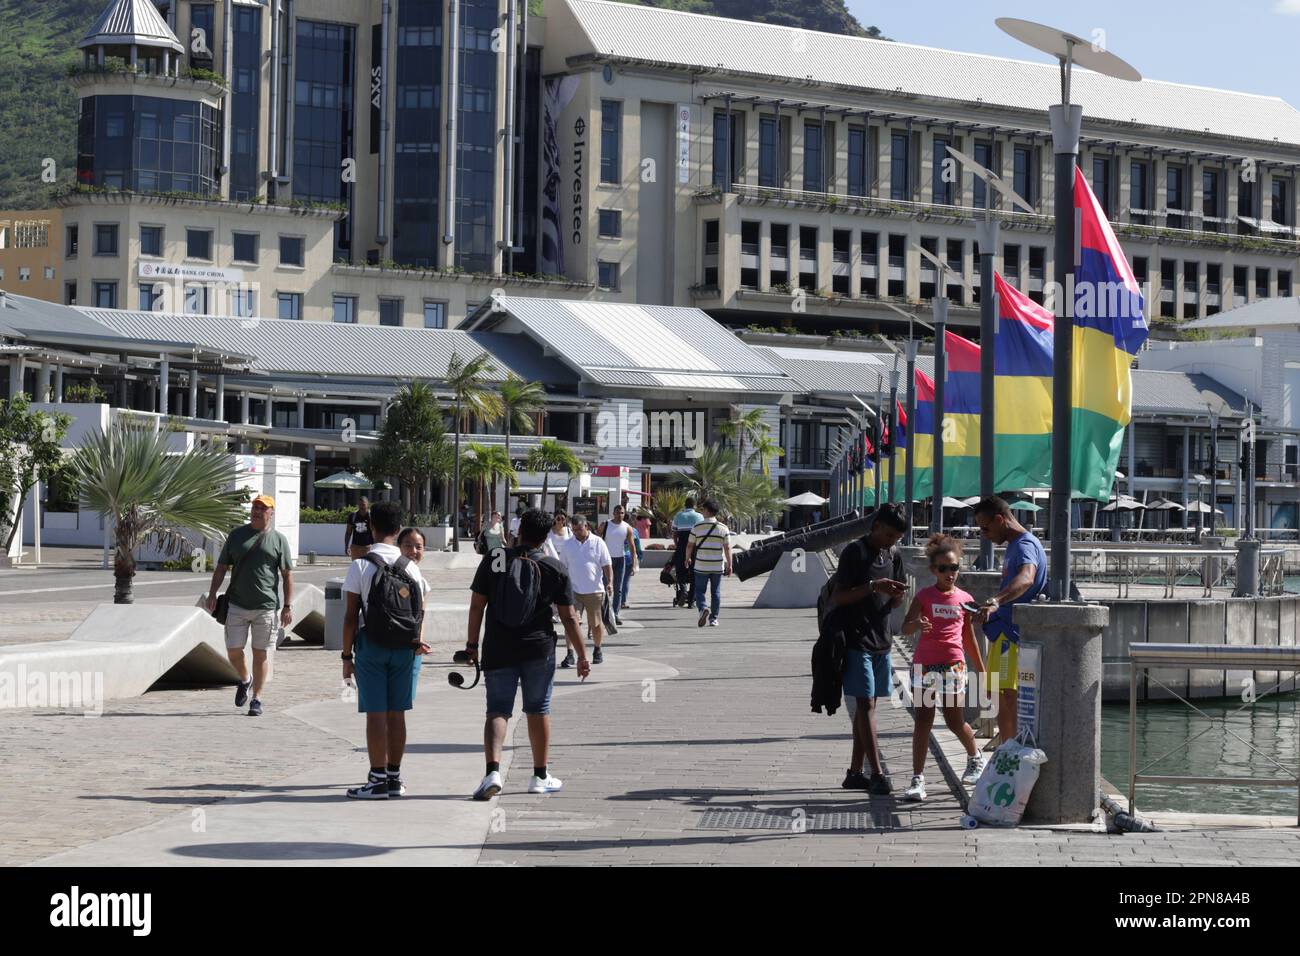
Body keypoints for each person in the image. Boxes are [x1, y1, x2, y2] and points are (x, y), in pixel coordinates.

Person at [468, 509, 590, 800]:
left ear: (518, 530)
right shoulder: (554, 566)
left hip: (498, 646)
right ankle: (539, 775)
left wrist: (472, 645)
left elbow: (476, 606)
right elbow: (570, 617)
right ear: (546, 535)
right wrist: (583, 655)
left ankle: (492, 772)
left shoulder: (494, 559)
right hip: (539, 648)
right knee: (538, 709)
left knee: (498, 710)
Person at [341, 504, 431, 798]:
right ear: (398, 529)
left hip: (371, 645)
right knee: (398, 713)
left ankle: (376, 779)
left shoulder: (361, 565)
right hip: (405, 648)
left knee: (376, 714)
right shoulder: (412, 567)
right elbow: (420, 612)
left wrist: (346, 656)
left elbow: (351, 616)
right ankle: (394, 778)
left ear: (373, 527)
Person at [825, 504, 908, 793]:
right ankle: (878, 774)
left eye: (895, 538)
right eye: (887, 535)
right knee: (866, 704)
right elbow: (839, 596)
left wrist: (896, 596)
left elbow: (895, 601)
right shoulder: (854, 552)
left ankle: (855, 772)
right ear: (874, 527)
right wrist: (873, 586)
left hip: (881, 640)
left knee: (867, 707)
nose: (890, 542)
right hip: (855, 638)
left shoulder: (893, 555)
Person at [899, 534, 987, 802]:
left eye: (954, 567)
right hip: (924, 666)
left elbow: (968, 637)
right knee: (923, 721)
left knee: (954, 720)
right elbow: (905, 627)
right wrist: (917, 626)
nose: (950, 573)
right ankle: (917, 779)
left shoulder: (964, 598)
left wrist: (981, 670)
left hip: (953, 666)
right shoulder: (924, 596)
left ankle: (975, 757)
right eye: (943, 568)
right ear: (933, 570)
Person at [207, 495, 294, 717]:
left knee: (260, 652)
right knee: (234, 651)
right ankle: (245, 679)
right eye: (255, 507)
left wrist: (287, 606)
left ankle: (257, 698)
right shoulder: (237, 536)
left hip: (265, 606)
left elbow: (287, 575)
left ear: (271, 513)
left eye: (262, 508)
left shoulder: (279, 540)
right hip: (237, 603)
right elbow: (221, 567)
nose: (257, 511)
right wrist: (212, 593)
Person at [973, 495, 1048, 744]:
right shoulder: (1015, 546)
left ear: (999, 519)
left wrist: (996, 601)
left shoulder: (1025, 545)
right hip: (1003, 635)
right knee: (1000, 694)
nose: (984, 534)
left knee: (1008, 696)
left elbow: (1027, 577)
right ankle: (1007, 749)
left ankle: (1010, 753)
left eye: (985, 527)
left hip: (1011, 639)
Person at [558, 515, 614, 666]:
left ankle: (597, 649)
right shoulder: (568, 544)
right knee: (570, 623)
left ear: (586, 527)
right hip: (573, 591)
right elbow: (562, 568)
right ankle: (570, 654)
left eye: (579, 529)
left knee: (596, 624)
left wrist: (610, 582)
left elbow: (607, 565)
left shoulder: (598, 542)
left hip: (594, 590)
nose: (576, 532)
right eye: (574, 529)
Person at [687, 498, 732, 628]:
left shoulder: (697, 526)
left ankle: (703, 608)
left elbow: (690, 545)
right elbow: (728, 548)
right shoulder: (723, 528)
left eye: (703, 509)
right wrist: (730, 564)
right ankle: (714, 619)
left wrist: (687, 558)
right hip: (717, 565)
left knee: (699, 591)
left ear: (706, 510)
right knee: (716, 592)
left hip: (701, 565)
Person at [599, 505, 638, 625]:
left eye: (622, 513)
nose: (620, 515)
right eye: (617, 512)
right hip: (606, 560)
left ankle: (615, 614)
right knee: (605, 588)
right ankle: (605, 614)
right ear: (613, 513)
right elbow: (597, 540)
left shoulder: (627, 527)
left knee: (618, 589)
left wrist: (634, 564)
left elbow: (632, 546)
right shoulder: (606, 524)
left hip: (621, 560)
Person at [671, 497, 704, 608]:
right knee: (695, 573)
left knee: (680, 571)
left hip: (681, 547)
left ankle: (684, 589)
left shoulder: (678, 516)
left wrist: (677, 545)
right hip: (695, 547)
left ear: (685, 505)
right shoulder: (699, 516)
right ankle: (691, 602)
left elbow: (674, 533)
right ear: (694, 506)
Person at [619, 522, 644, 610]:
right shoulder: (634, 531)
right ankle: (623, 602)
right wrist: (640, 556)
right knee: (625, 581)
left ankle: (614, 600)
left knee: (616, 581)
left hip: (615, 557)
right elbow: (637, 545)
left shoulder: (616, 529)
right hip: (629, 557)